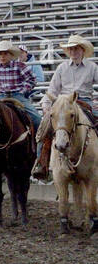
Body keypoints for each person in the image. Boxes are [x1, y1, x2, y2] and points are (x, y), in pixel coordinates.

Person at [31, 34, 98, 179]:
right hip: (63, 104)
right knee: (43, 129)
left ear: (82, 50)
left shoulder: (92, 67)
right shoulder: (62, 68)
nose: (73, 52)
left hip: (84, 101)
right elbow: (52, 90)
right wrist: (46, 106)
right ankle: (41, 163)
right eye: (71, 49)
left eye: (76, 49)